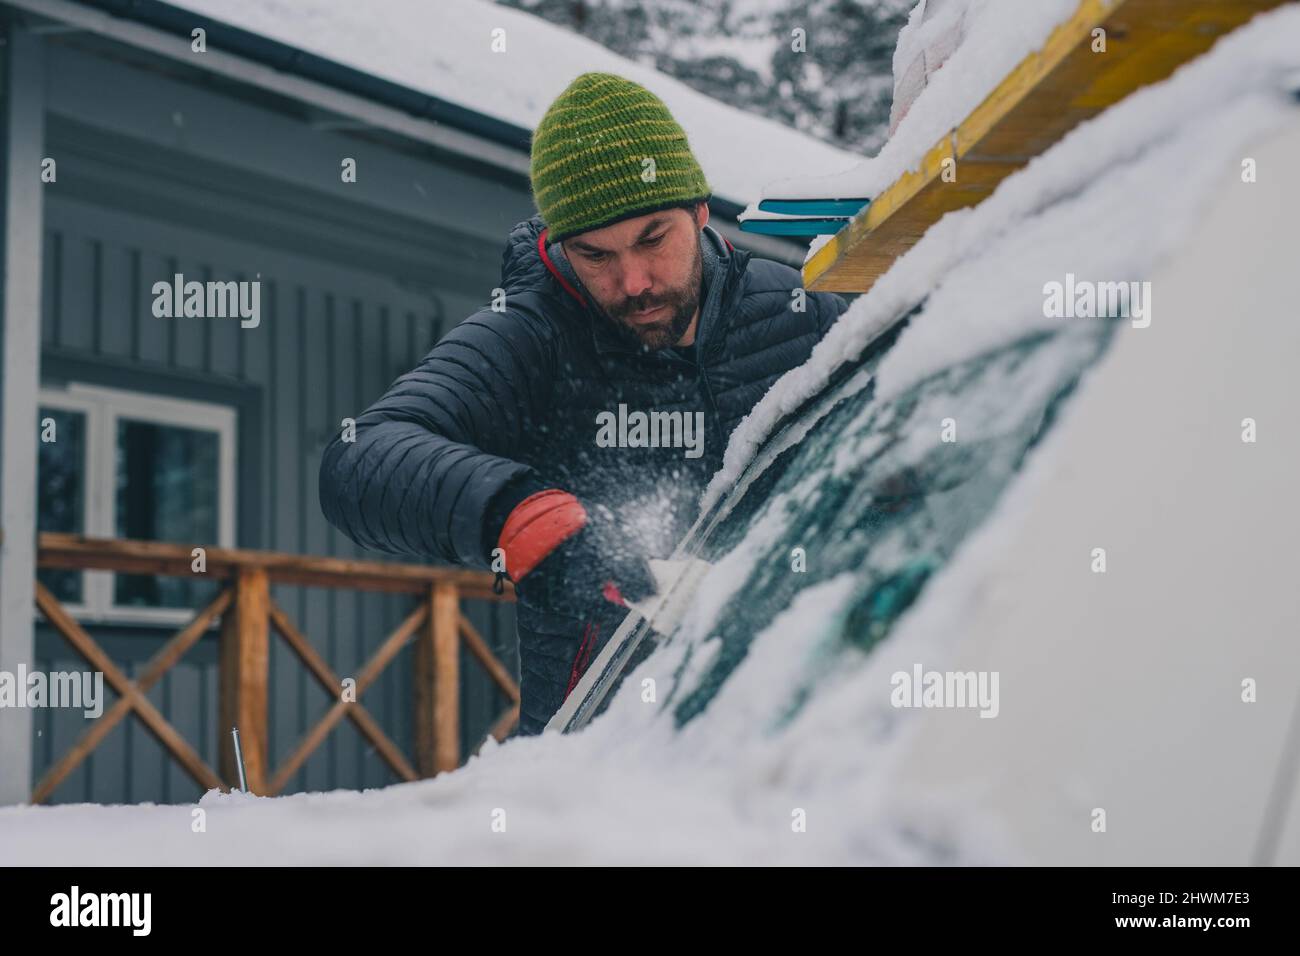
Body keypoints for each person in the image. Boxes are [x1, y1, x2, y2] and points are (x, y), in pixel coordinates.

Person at [319, 72, 848, 734]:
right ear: (561, 247)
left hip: (798, 720)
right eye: (595, 255)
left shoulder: (803, 314)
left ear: (700, 212)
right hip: (598, 747)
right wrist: (514, 515)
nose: (632, 281)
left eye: (653, 238)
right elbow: (359, 456)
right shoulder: (530, 335)